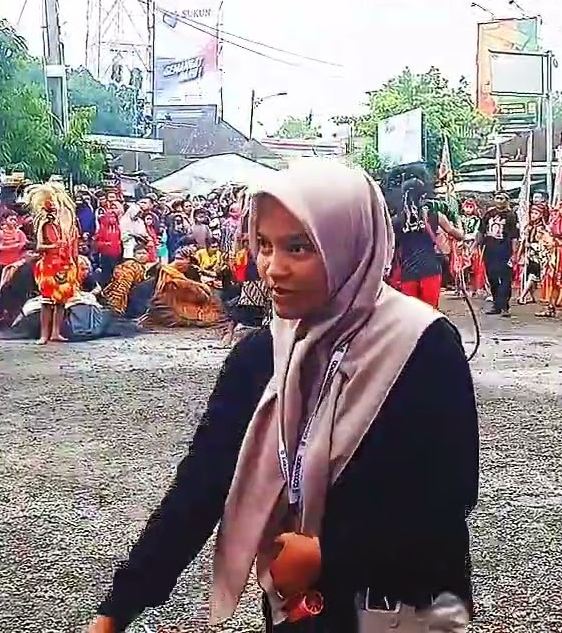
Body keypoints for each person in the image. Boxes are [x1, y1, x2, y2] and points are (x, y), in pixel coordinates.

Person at [85, 160, 478, 633]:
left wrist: (326, 552)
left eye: (298, 247)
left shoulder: (422, 345)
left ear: (349, 244)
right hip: (301, 608)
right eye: (265, 246)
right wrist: (116, 610)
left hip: (404, 610)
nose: (273, 268)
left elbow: (447, 496)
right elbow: (200, 487)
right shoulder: (261, 356)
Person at [392, 177, 465, 309]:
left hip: (408, 272)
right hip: (430, 270)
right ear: (424, 195)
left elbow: (392, 247)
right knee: (430, 313)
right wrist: (458, 220)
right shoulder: (435, 215)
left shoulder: (397, 221)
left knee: (412, 313)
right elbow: (459, 236)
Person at [27, 182, 80, 344]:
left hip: (66, 265)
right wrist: (54, 246)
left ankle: (56, 333)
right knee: (47, 301)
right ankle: (44, 335)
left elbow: (74, 248)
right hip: (49, 265)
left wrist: (75, 263)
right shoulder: (44, 225)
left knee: (61, 301)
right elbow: (39, 246)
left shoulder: (69, 226)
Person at [477, 190, 519, 316]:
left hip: (504, 250)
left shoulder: (511, 216)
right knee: (492, 278)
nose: (499, 201)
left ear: (507, 200)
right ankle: (496, 305)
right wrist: (475, 245)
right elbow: (481, 231)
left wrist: (514, 253)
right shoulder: (489, 214)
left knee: (505, 279)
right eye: (497, 198)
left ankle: (505, 306)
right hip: (490, 250)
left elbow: (514, 236)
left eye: (502, 198)